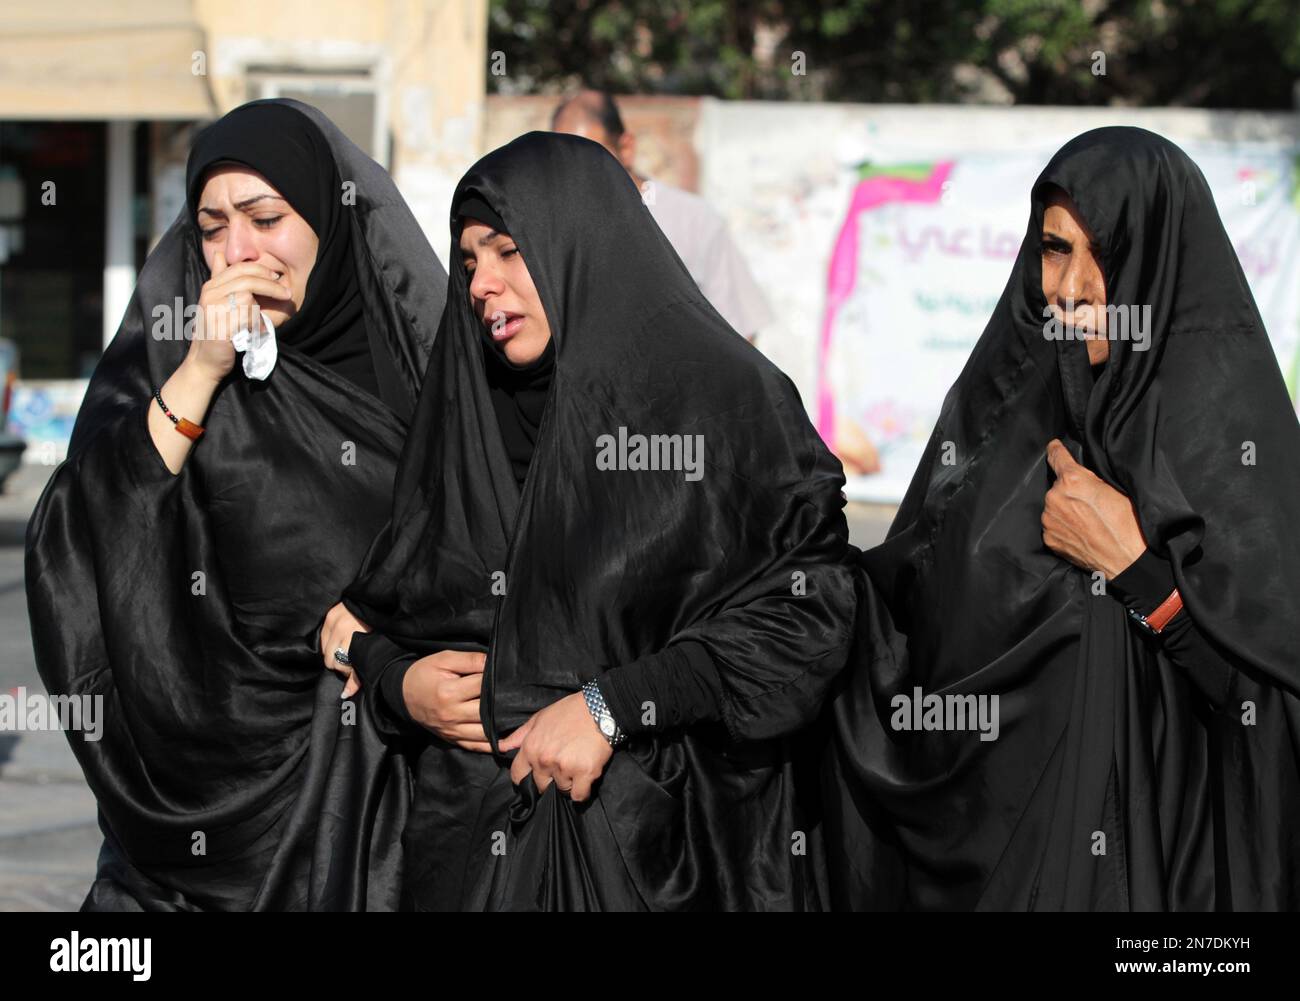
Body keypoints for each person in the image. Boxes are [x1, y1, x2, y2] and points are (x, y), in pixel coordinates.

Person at [341, 131, 860, 911]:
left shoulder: (721, 402)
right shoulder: (467, 412)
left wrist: (613, 706)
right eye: (469, 260)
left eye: (509, 251)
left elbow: (809, 611)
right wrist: (395, 679)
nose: (483, 283)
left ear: (577, 241)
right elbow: (404, 596)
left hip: (662, 850)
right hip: (473, 850)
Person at [818, 127, 1300, 910]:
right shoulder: (998, 425)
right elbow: (899, 621)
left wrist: (1145, 579)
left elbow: (1273, 710)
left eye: (1101, 255)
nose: (1071, 288)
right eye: (1052, 249)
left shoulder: (1227, 447)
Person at [24, 99, 444, 910]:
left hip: (381, 811)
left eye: (265, 218)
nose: (237, 252)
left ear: (328, 218)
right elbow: (82, 543)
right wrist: (200, 369)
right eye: (213, 225)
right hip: (195, 838)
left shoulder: (414, 364)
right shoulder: (170, 349)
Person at [552, 89, 773, 342]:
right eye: (562, 162)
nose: (577, 175)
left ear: (626, 148)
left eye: (590, 158)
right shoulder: (552, 228)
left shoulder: (692, 221)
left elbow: (740, 337)